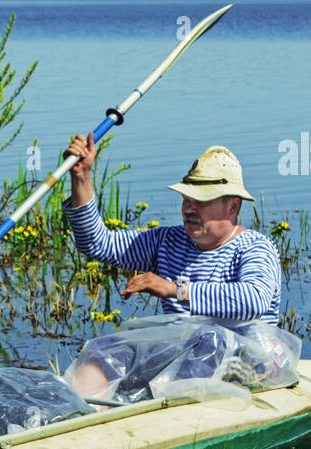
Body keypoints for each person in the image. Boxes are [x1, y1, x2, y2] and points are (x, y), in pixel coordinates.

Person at [62, 136, 282, 324]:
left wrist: (174, 290)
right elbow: (97, 245)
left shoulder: (255, 247)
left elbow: (254, 301)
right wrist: (81, 178)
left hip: (246, 364)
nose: (188, 209)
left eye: (201, 201)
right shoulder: (167, 241)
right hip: (185, 360)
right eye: (186, 199)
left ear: (233, 206)